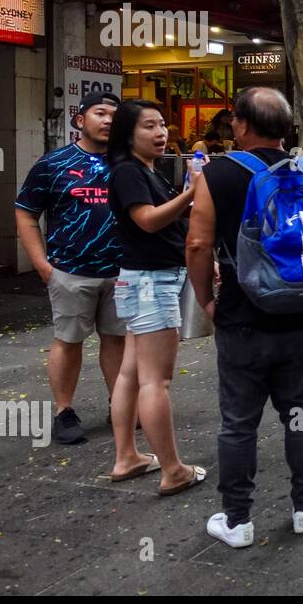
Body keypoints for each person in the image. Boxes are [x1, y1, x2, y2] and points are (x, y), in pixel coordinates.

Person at [186, 87, 303, 548]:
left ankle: (237, 521)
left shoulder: (216, 175)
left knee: (238, 422)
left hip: (241, 317)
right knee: (300, 410)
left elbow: (197, 246)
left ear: (240, 124)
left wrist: (207, 301)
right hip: (300, 319)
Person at [106, 100, 207, 494]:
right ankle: (172, 470)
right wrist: (191, 195)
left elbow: (166, 219)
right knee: (155, 380)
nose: (161, 132)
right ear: (128, 134)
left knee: (131, 374)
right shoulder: (128, 172)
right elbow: (147, 221)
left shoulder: (145, 170)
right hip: (150, 282)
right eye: (149, 126)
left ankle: (126, 458)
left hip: (141, 280)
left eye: (163, 124)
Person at [15, 92, 127, 446]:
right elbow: (25, 212)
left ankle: (120, 405)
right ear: (80, 120)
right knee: (68, 342)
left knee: (117, 340)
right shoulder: (54, 163)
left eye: (115, 114)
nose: (108, 120)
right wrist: (41, 264)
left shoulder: (129, 163)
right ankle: (64, 412)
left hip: (121, 271)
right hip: (69, 269)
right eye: (100, 113)